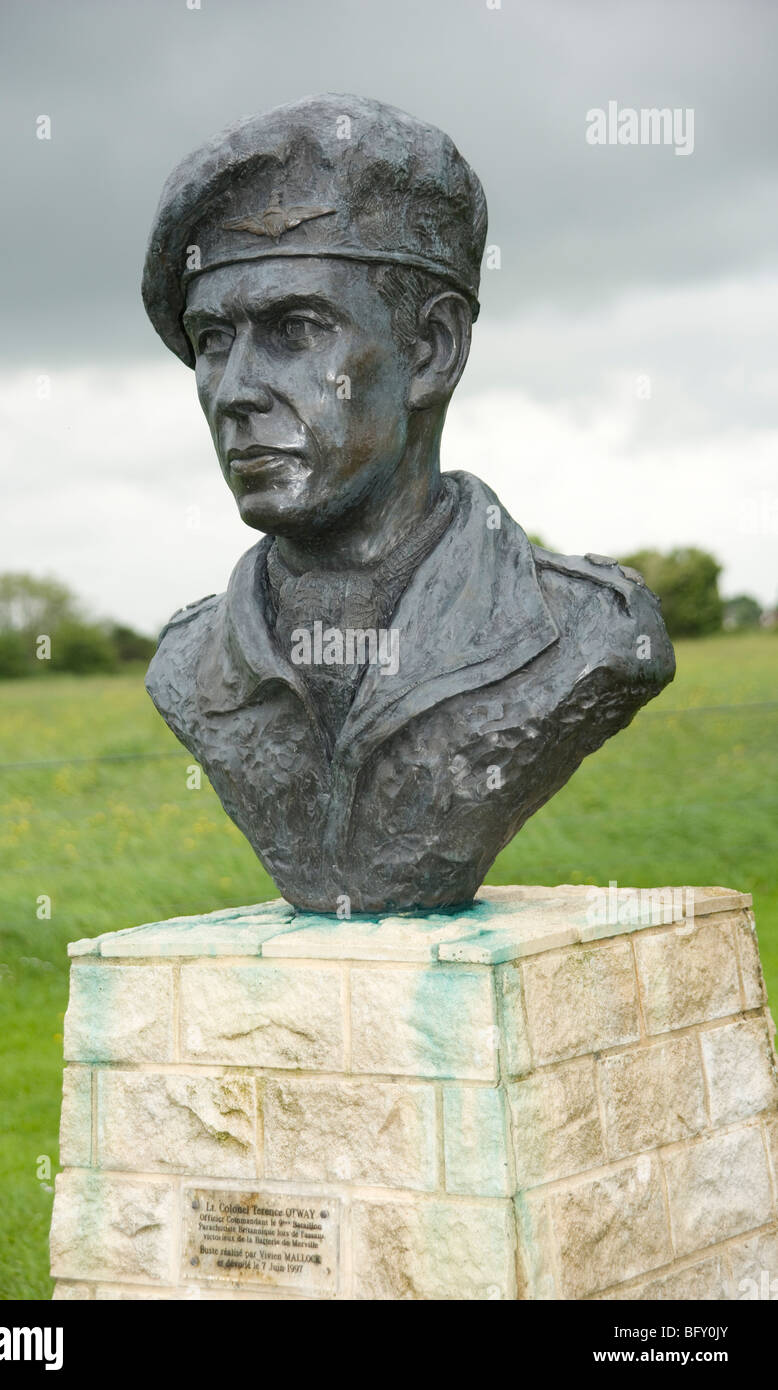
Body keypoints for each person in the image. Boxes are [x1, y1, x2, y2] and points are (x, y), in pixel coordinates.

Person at [142, 93, 674, 913]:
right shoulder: (186, 662)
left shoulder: (594, 633)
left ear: (430, 351)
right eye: (214, 341)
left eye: (294, 330)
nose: (235, 391)